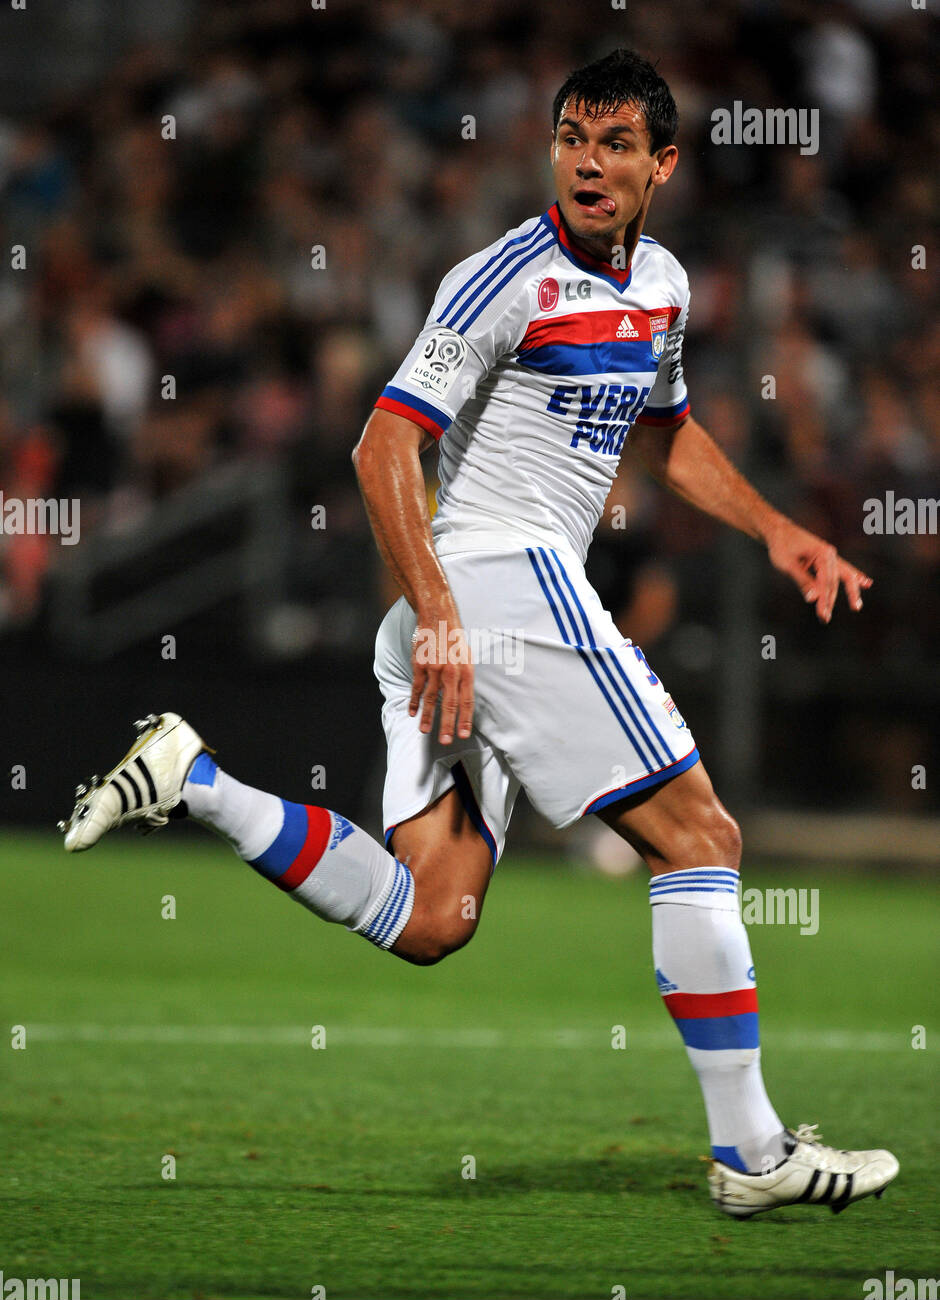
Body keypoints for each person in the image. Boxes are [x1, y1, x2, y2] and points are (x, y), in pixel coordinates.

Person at [58, 49, 897, 1219]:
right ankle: (753, 1154)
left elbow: (668, 432)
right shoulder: (501, 277)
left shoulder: (660, 284)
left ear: (662, 164)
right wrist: (448, 619)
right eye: (570, 138)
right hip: (491, 587)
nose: (587, 162)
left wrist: (775, 531)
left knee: (433, 915)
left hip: (459, 613)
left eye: (614, 145)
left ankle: (194, 780)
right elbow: (379, 447)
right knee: (699, 830)